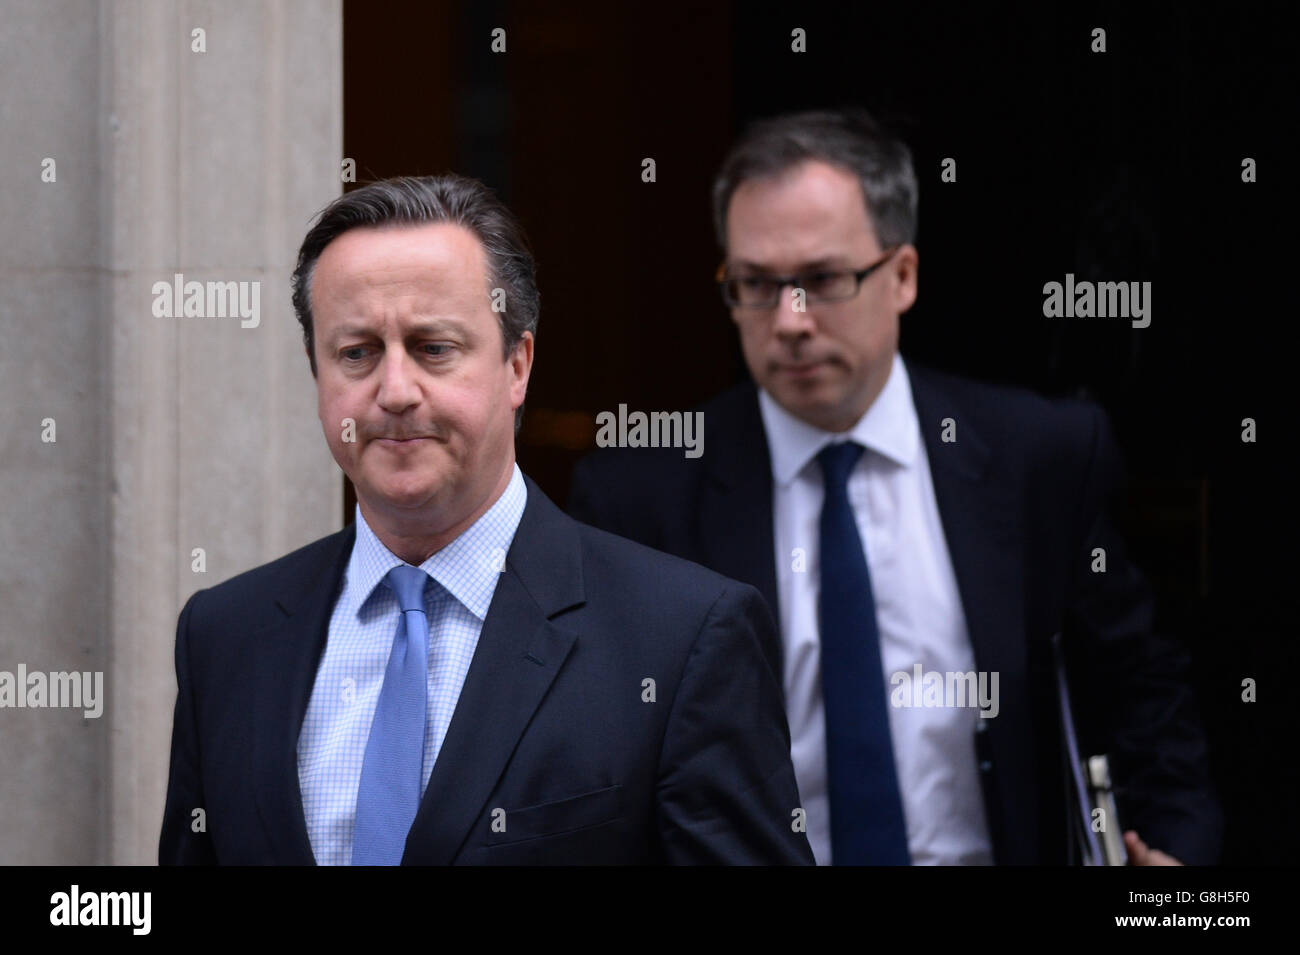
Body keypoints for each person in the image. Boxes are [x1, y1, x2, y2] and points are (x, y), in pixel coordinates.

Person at [568, 108, 1222, 866]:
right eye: (754, 284)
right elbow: (606, 772)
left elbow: (1140, 693)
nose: (789, 320)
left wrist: (1175, 866)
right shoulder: (641, 498)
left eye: (822, 279)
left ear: (902, 275)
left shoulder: (1037, 457)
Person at [158, 174, 814, 866]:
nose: (396, 391)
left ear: (517, 365)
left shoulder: (682, 638)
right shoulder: (227, 636)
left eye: (434, 347)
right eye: (357, 353)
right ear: (316, 372)